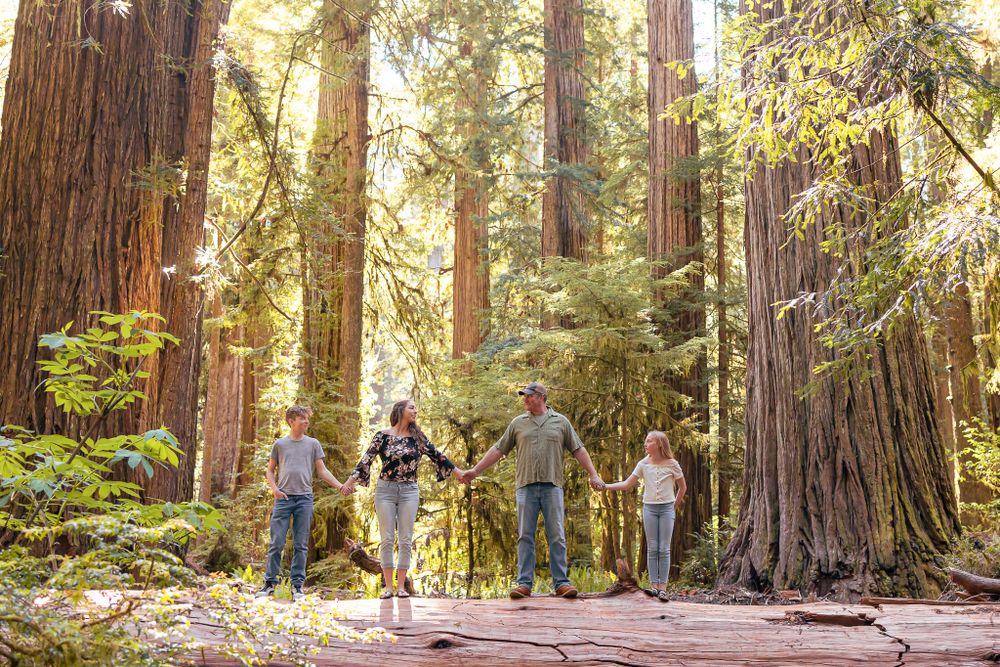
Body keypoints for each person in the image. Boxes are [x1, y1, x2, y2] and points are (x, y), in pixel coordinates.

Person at [463, 382, 604, 600]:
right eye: (524, 396)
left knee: (556, 535)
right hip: (526, 486)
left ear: (541, 397)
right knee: (525, 536)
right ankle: (524, 584)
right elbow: (499, 449)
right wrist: (475, 470)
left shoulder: (561, 422)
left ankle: (561, 583)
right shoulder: (518, 423)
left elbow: (578, 449)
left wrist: (593, 474)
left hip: (552, 485)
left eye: (529, 396)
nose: (525, 399)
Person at [341, 399, 469, 599]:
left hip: (410, 490)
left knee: (405, 539)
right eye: (412, 407)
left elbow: (438, 456)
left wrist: (459, 472)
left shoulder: (417, 437)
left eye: (416, 408)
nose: (415, 411)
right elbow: (365, 460)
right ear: (400, 410)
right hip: (385, 491)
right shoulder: (382, 436)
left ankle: (401, 587)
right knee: (387, 539)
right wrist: (349, 483)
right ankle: (388, 588)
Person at [256, 406, 344, 601]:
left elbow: (322, 471)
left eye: (307, 419)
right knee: (276, 542)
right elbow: (270, 470)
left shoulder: (313, 444)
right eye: (302, 419)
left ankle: (297, 587)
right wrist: (275, 489)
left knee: (301, 544)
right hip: (283, 499)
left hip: (304, 499)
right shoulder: (280, 444)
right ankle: (269, 584)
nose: (306, 422)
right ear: (291, 421)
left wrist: (339, 486)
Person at [602, 430, 686, 601]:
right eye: (646, 441)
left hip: (666, 508)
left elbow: (682, 488)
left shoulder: (672, 464)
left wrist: (673, 506)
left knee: (664, 548)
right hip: (649, 508)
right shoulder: (643, 464)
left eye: (649, 441)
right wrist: (606, 486)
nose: (645, 444)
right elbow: (627, 484)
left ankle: (663, 588)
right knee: (653, 547)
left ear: (659, 444)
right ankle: (653, 587)